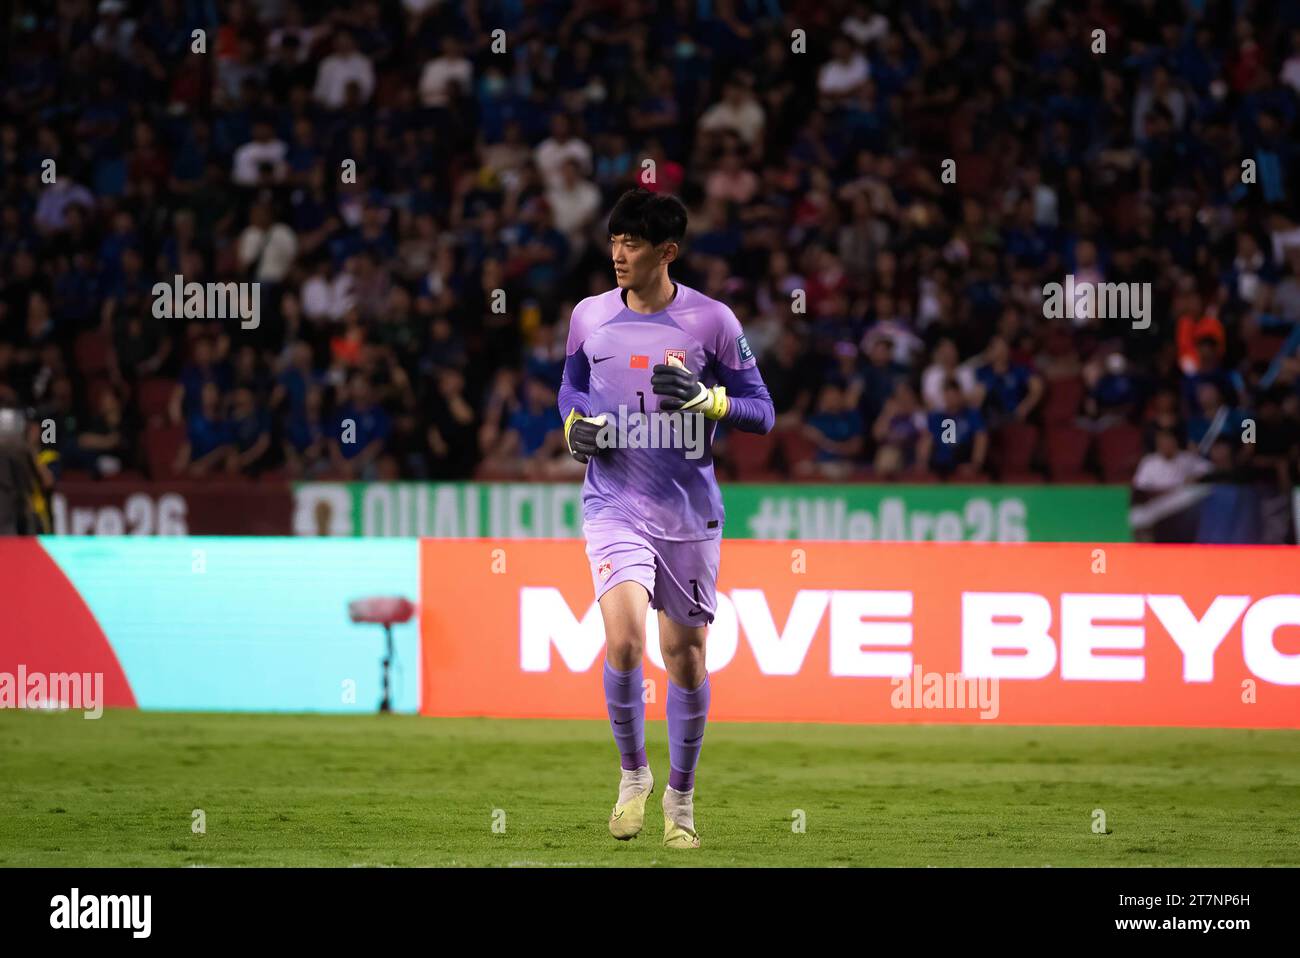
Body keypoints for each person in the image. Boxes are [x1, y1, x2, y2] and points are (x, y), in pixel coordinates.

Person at [557, 188, 774, 848]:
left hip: (687, 512)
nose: (618, 255)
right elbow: (568, 384)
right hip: (612, 501)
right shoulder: (589, 316)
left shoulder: (712, 322)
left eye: (632, 244)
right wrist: (572, 425)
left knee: (684, 658)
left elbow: (763, 412)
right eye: (614, 242)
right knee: (623, 641)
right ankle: (633, 777)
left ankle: (681, 800)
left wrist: (711, 402)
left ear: (667, 252)